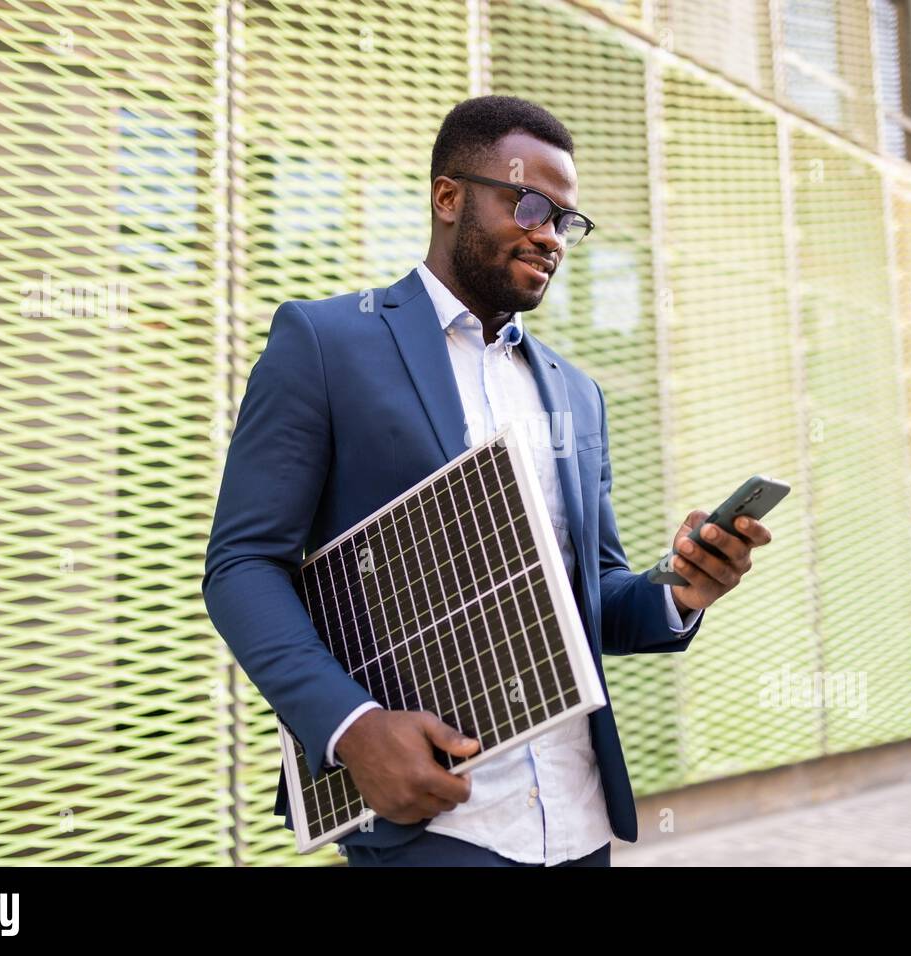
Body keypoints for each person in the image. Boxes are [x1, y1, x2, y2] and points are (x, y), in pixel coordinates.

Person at [202, 95, 772, 867]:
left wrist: (680, 591)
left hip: (578, 824)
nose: (552, 235)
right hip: (436, 822)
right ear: (448, 196)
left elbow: (587, 596)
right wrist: (352, 727)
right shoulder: (326, 342)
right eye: (531, 204)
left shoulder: (576, 392)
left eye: (567, 220)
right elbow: (242, 567)